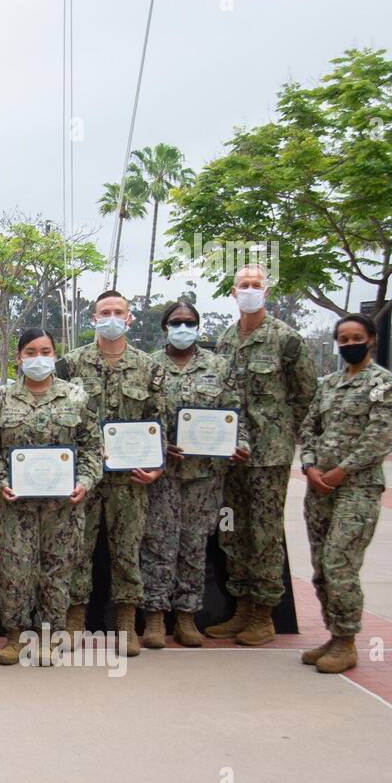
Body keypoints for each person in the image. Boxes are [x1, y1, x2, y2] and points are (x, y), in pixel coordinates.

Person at [209, 264, 317, 645]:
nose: (250, 290)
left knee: (265, 533)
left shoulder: (287, 340)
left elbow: (307, 400)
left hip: (269, 456)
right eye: (244, 285)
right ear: (233, 293)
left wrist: (300, 447)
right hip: (229, 455)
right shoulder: (224, 341)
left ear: (265, 293)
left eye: (256, 285)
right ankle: (241, 608)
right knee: (233, 530)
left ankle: (264, 614)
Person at [0, 329, 100, 665]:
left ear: (55, 355)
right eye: (30, 351)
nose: (38, 358)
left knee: (56, 571)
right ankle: (15, 637)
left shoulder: (77, 398)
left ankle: (49, 637)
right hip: (16, 506)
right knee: (15, 571)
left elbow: (92, 448)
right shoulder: (0, 400)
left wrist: (85, 482)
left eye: (45, 351)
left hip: (63, 507)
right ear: (19, 357)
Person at [59, 290, 167, 657]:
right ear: (93, 318)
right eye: (104, 311)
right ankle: (75, 619)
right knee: (77, 549)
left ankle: (126, 622)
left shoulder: (149, 367)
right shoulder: (70, 365)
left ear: (130, 318)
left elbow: (159, 420)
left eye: (118, 311)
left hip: (129, 478)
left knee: (127, 550)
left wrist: (157, 466)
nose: (111, 317)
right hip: (83, 478)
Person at [138, 301, 249, 649]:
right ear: (165, 327)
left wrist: (239, 443)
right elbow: (140, 419)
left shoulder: (218, 367)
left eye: (189, 322)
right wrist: (156, 447)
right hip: (163, 475)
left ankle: (186, 617)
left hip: (205, 476)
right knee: (158, 545)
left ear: (198, 327)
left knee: (194, 546)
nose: (182, 328)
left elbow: (234, 413)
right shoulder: (149, 367)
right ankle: (155, 617)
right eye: (176, 322)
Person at [297, 313, 392, 674]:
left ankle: (347, 641)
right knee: (322, 565)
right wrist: (309, 465)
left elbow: (381, 437)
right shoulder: (328, 384)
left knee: (340, 562)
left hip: (357, 487)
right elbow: (309, 428)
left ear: (371, 339)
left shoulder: (382, 383)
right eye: (343, 339)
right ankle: (334, 632)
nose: (349, 344)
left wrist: (343, 470)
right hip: (319, 486)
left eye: (356, 337)